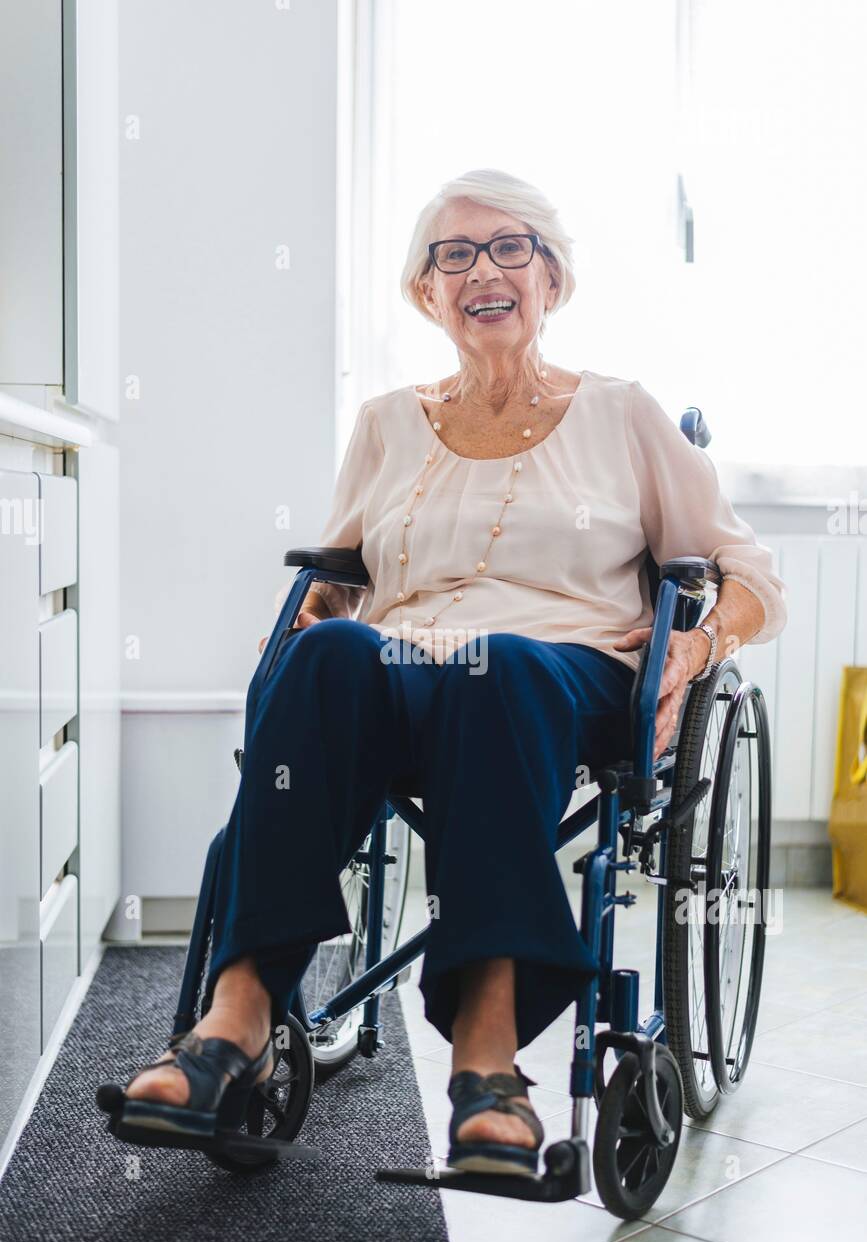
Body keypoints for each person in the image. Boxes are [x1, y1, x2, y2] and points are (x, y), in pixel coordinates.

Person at [105, 168, 786, 1178]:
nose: (483, 270)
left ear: (552, 277)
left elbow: (753, 581)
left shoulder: (624, 415)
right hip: (402, 676)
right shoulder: (386, 422)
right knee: (333, 652)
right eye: (453, 254)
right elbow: (341, 579)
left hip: (559, 678)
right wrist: (305, 640)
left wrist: (693, 644)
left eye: (509, 247)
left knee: (496, 667)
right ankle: (236, 1021)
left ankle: (488, 1061)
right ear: (424, 292)